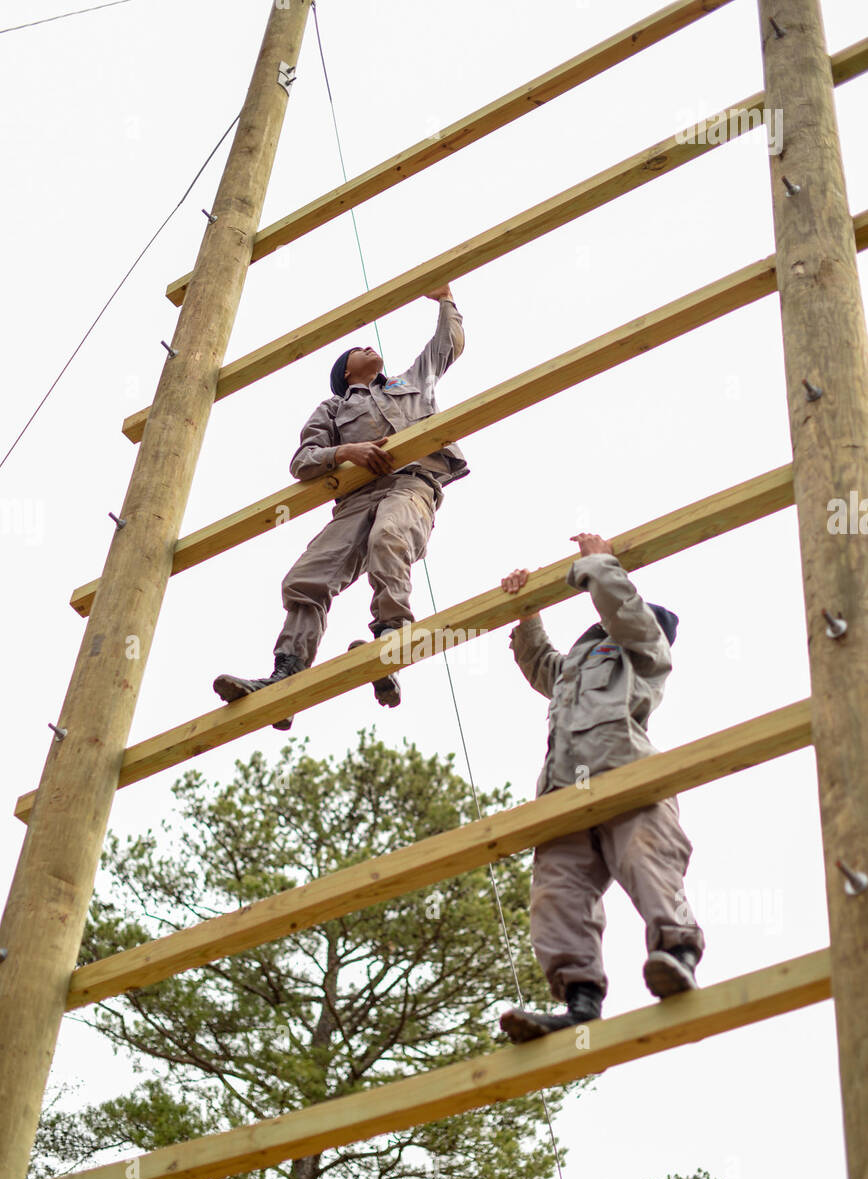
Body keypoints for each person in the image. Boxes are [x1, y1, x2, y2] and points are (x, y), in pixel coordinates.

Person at [214, 286, 467, 730]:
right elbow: (303, 462)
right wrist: (347, 451)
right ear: (346, 371)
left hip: (410, 485)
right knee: (306, 577)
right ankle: (287, 675)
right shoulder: (332, 409)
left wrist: (446, 299)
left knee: (389, 537)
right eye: (358, 348)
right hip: (355, 499)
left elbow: (446, 346)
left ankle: (391, 639)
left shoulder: (410, 383)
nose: (371, 345)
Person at [498, 532, 704, 1044]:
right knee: (557, 893)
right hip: (565, 793)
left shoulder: (645, 648)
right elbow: (541, 662)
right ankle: (580, 999)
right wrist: (527, 612)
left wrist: (601, 565)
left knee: (647, 859)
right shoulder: (574, 669)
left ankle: (677, 954)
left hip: (626, 772)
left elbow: (626, 615)